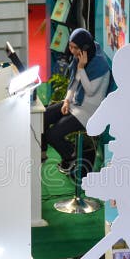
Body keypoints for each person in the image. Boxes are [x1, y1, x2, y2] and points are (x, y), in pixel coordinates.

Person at [41, 28, 110, 173]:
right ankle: (42, 153)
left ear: (85, 47)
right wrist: (66, 100)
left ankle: (72, 157)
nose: (71, 50)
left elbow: (91, 91)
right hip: (74, 104)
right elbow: (73, 83)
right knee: (42, 116)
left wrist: (81, 68)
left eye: (75, 47)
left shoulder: (100, 64)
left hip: (88, 111)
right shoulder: (81, 56)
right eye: (70, 46)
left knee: (53, 134)